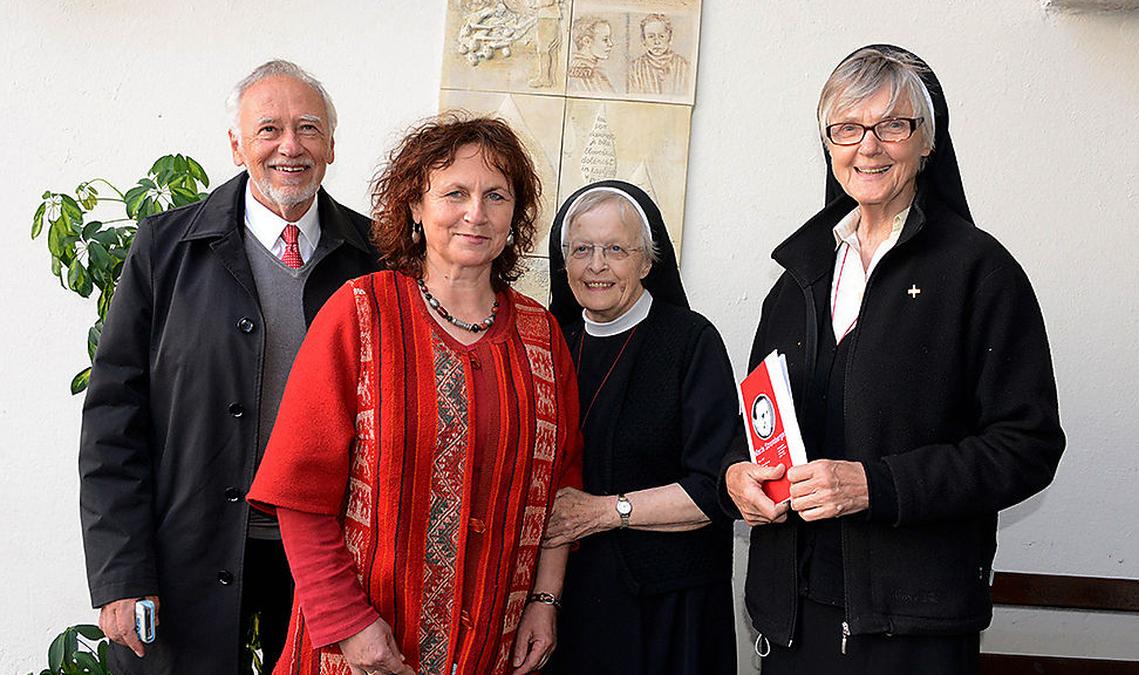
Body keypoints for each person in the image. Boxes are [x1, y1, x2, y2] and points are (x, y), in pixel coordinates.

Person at [721, 45, 1066, 674]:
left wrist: (875, 486)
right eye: (847, 129)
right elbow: (754, 422)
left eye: (892, 125)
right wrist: (738, 478)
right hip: (791, 619)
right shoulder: (798, 276)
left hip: (912, 627)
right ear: (828, 145)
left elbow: (1028, 445)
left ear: (928, 140)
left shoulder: (979, 272)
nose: (868, 147)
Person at [246, 114, 583, 675]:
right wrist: (347, 624)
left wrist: (544, 603)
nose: (476, 212)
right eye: (455, 193)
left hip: (489, 651)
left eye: (496, 195)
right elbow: (299, 492)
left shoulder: (542, 335)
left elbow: (560, 492)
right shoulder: (360, 313)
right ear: (414, 209)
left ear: (513, 218)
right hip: (359, 653)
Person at [79, 60, 380, 674]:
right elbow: (114, 420)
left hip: (330, 559)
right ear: (236, 143)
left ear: (332, 144)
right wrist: (120, 573)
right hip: (184, 550)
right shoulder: (165, 249)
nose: (289, 147)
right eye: (269, 129)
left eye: (308, 129)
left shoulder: (376, 259)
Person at [542, 181, 739, 674]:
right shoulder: (550, 345)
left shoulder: (691, 342)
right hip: (570, 602)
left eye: (615, 249)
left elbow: (715, 488)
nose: (596, 265)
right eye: (582, 249)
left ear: (648, 261)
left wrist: (608, 511)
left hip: (668, 610)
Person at [627, 13, 689, 95]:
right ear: (643, 40)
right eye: (651, 37)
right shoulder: (635, 68)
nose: (657, 42)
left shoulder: (683, 65)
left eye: (661, 36)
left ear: (670, 38)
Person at [567, 16, 615, 93]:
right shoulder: (584, 71)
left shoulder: (595, 71)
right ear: (587, 41)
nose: (610, 44)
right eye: (605, 39)